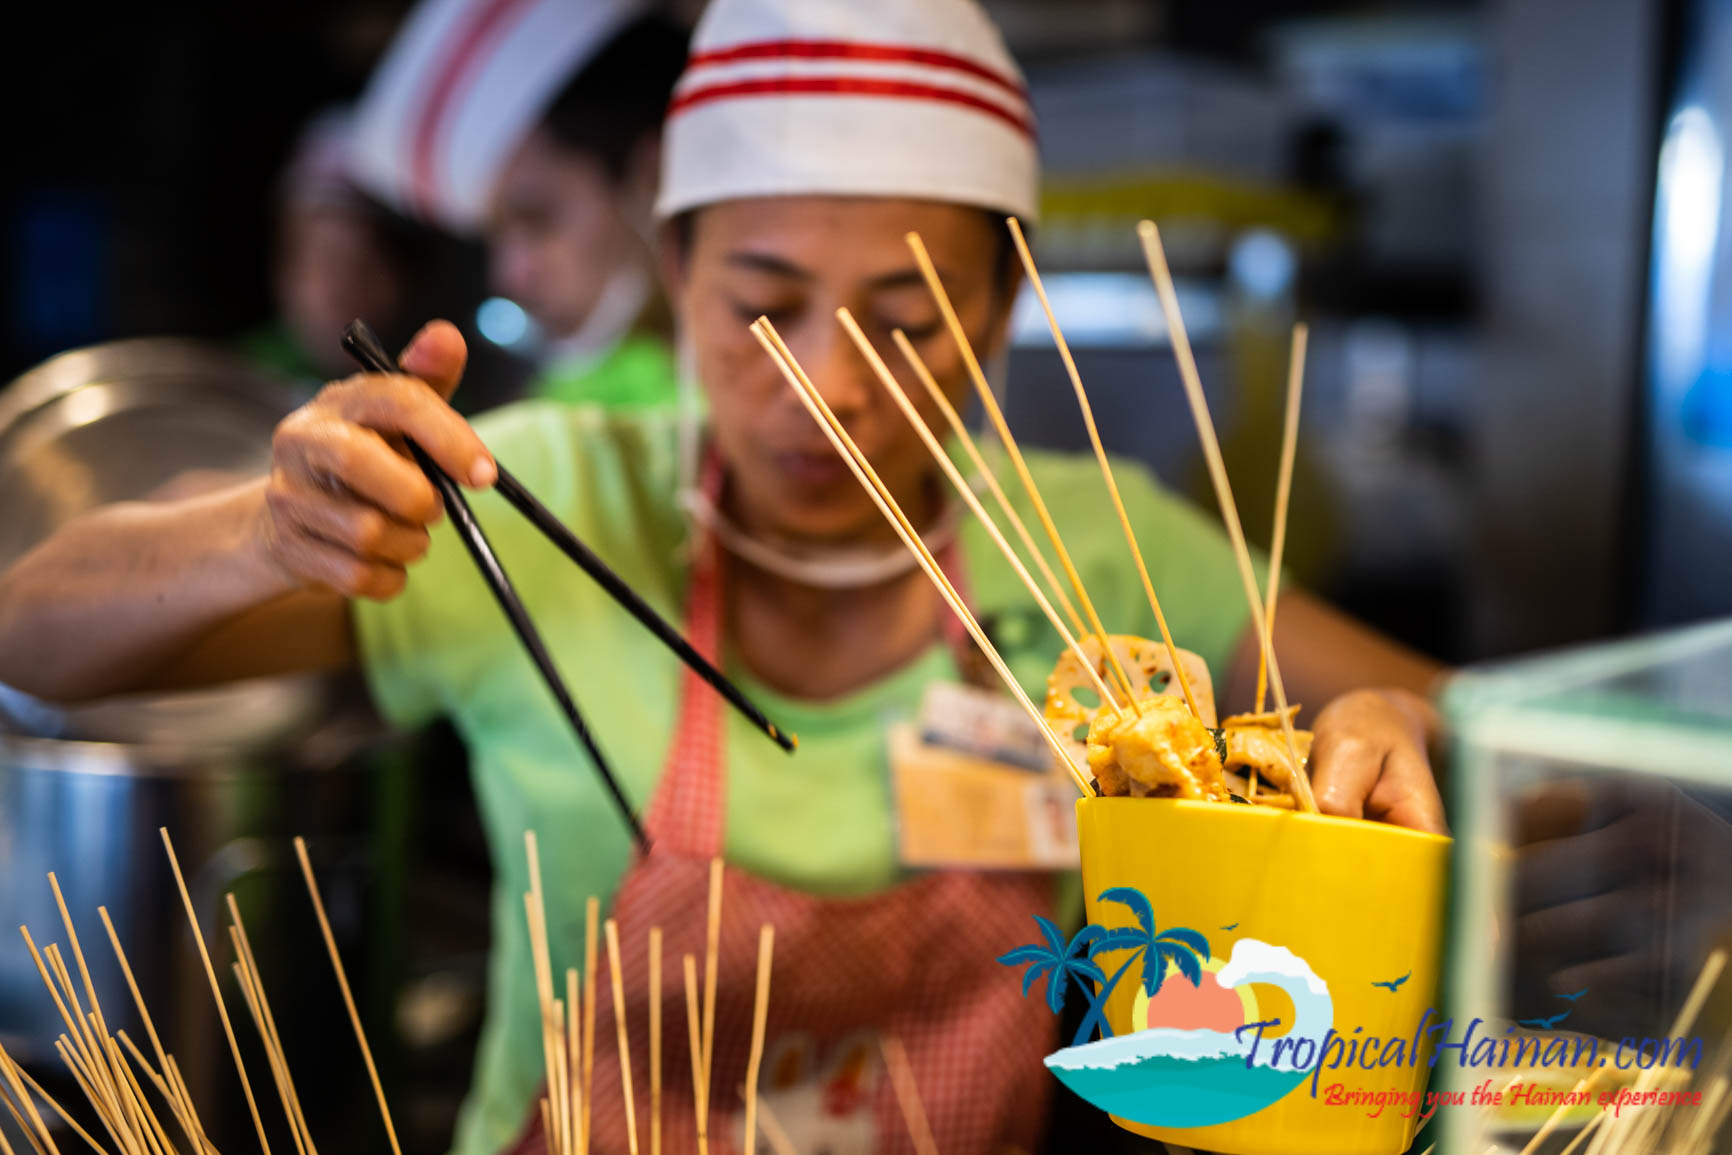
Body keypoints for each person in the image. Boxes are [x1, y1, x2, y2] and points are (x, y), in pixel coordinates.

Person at [0, 0, 1447, 1150]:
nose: (832, 387)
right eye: (763, 305)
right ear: (672, 269)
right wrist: (263, 530)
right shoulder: (542, 495)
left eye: (913, 318)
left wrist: (1397, 734)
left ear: (1007, 308)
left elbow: (1517, 744)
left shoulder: (1099, 550)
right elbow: (38, 633)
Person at [350, 0, 687, 410]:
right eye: (496, 235)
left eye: (538, 219)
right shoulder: (568, 408)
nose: (510, 277)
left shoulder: (754, 379)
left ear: (652, 173)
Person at [242, 109, 416, 387]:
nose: (343, 289)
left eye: (365, 266)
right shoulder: (241, 377)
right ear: (284, 271)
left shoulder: (430, 382)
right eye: (325, 263)